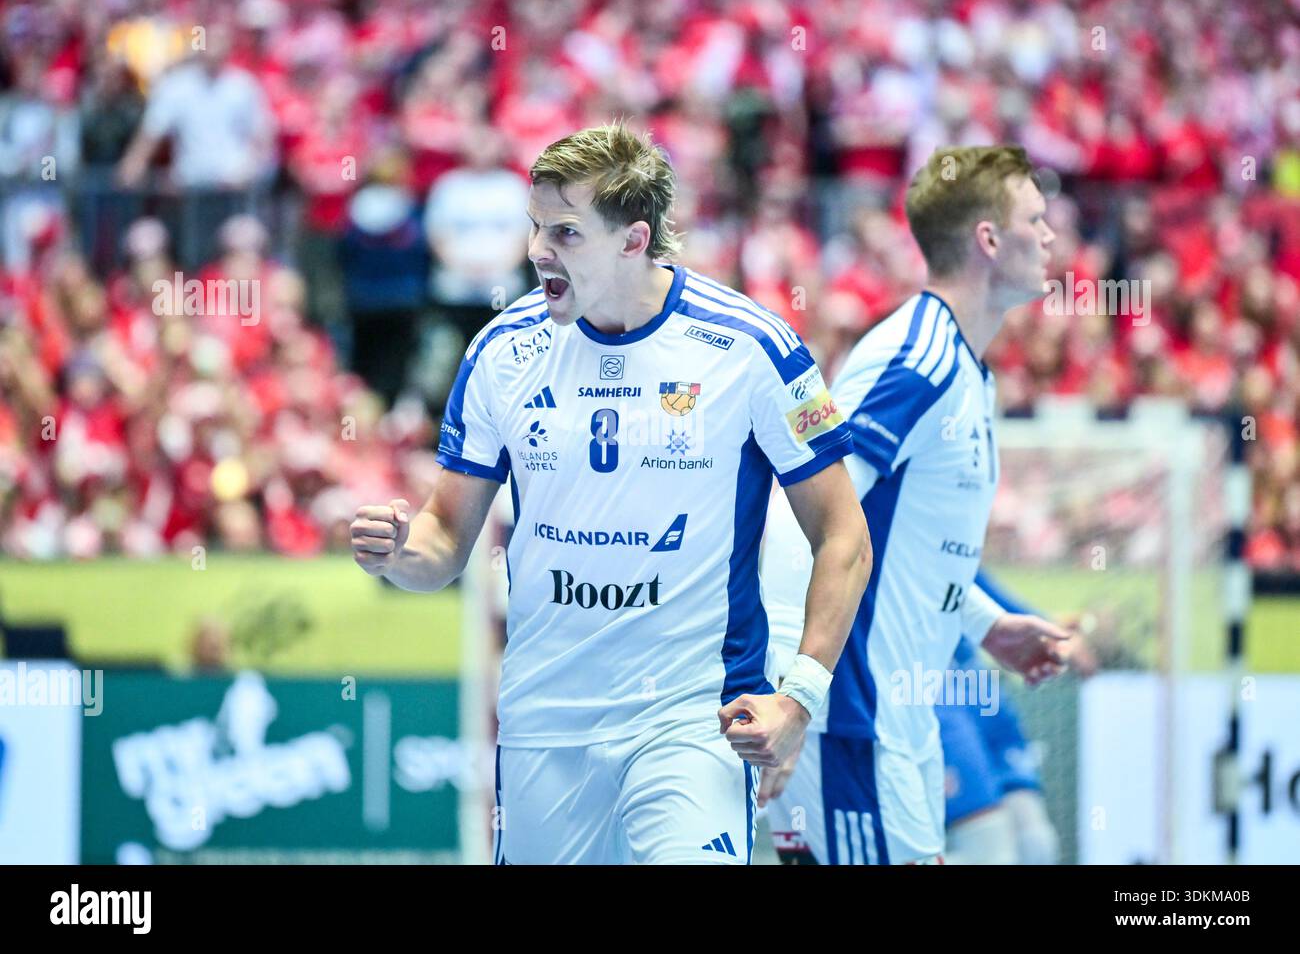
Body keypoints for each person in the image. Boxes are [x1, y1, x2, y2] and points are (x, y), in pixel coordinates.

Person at [350, 124, 871, 865]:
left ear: (633, 240)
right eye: (535, 227)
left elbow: (844, 538)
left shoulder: (752, 348)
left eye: (565, 232)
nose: (536, 250)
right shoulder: (501, 352)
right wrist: (399, 553)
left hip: (691, 717)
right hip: (544, 721)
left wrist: (801, 696)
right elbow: (442, 543)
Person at [762, 145, 1073, 865]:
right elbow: (798, 517)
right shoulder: (918, 359)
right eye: (1036, 218)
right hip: (851, 722)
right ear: (989, 240)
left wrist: (989, 626)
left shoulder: (968, 371)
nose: (1052, 235)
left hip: (896, 722)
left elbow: (909, 555)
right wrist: (794, 694)